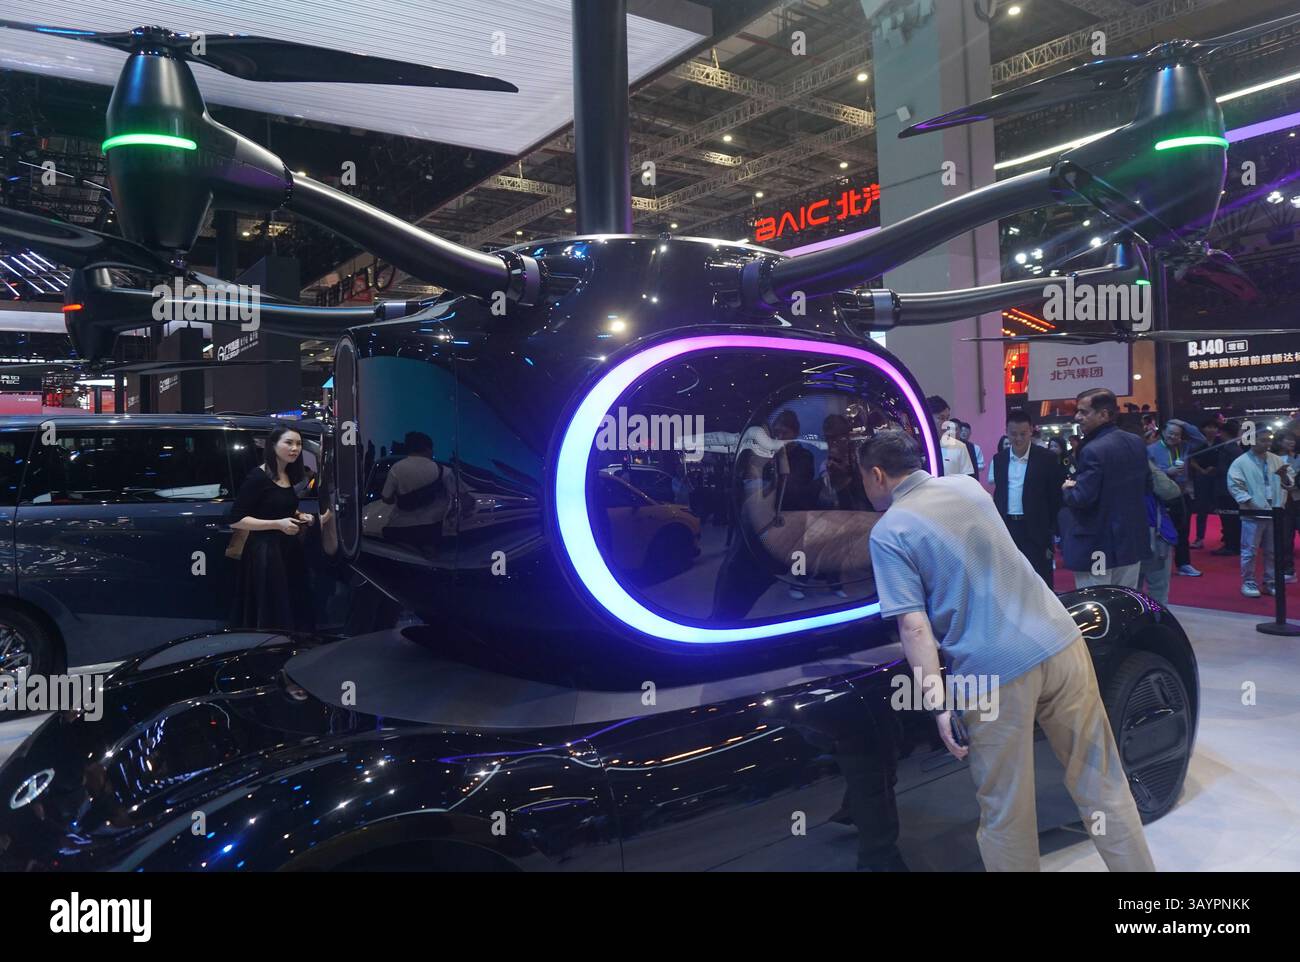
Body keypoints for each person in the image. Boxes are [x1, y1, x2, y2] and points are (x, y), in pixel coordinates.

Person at [858, 431, 1154, 872]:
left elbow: (913, 625)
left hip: (991, 673)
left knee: (1006, 812)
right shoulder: (966, 486)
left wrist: (938, 705)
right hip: (1060, 640)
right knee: (1102, 781)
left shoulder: (889, 532)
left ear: (877, 475)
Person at [1059, 388, 1152, 589]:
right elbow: (1146, 486)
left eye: (1084, 412)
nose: (1078, 417)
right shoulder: (1136, 442)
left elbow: (1082, 498)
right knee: (1125, 601)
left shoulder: (1093, 449)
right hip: (1130, 541)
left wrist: (1067, 488)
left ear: (1103, 414)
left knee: (1095, 602)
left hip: (1097, 545)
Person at [229, 425, 316, 631]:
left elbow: (274, 506)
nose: (295, 448)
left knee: (288, 603)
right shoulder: (258, 476)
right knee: (271, 609)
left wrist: (298, 515)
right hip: (265, 551)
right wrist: (278, 524)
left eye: (298, 444)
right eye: (288, 442)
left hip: (286, 549)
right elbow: (236, 519)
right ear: (273, 445)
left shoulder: (287, 474)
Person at [988, 409, 1064, 587]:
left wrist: (1050, 529)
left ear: (1031, 430)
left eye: (1023, 433)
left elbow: (1055, 497)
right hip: (1008, 527)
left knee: (1039, 578)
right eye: (1013, 434)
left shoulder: (1046, 458)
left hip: (1036, 528)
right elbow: (999, 494)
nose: (1018, 439)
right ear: (1006, 432)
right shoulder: (999, 459)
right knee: (1010, 578)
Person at [1227, 427, 1294, 598]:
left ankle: (1270, 581)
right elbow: (1234, 485)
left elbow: (1290, 483)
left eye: (1268, 440)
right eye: (1263, 440)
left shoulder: (1277, 460)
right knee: (1250, 550)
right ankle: (1248, 581)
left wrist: (1284, 477)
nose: (1267, 444)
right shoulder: (1241, 462)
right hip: (1253, 512)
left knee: (1272, 551)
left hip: (1275, 511)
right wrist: (1248, 501)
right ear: (1252, 440)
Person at [1147, 421, 1202, 577]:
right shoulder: (1151, 450)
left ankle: (1183, 564)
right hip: (1162, 495)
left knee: (1183, 530)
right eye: (1170, 433)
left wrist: (1184, 424)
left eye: (1177, 434)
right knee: (1160, 530)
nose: (1173, 437)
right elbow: (1148, 473)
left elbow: (1201, 440)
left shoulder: (1185, 446)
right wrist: (1167, 471)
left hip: (1182, 494)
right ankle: (1157, 564)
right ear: (1163, 432)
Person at [380, 431, 449, 552]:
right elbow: (464, 499)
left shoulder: (397, 468)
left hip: (400, 528)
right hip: (431, 529)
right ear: (427, 448)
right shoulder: (443, 470)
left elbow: (386, 498)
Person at [1211, 420, 1244, 556]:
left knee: (1228, 518)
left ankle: (1231, 545)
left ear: (1224, 432)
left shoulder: (1227, 449)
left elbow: (1224, 469)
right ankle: (1234, 544)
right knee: (1234, 518)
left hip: (1226, 489)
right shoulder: (1237, 449)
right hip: (1234, 489)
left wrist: (1213, 470)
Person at [1187, 418, 1221, 549]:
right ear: (1203, 429)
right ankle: (1199, 538)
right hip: (1202, 479)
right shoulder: (1198, 444)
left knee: (1222, 508)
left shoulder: (1222, 443)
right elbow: (1192, 460)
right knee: (1201, 508)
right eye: (1208, 427)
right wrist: (1201, 470)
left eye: (1214, 427)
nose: (1211, 430)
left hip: (1218, 479)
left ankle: (1226, 537)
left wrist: (1215, 469)